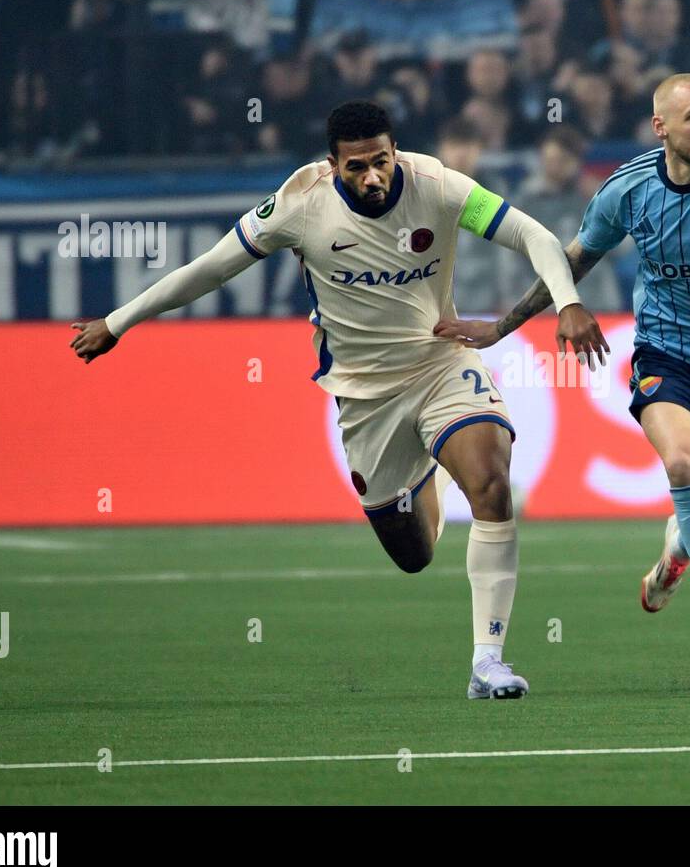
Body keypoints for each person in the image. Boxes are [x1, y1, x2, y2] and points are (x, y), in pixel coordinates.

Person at [69, 101, 608, 700]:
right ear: (333, 165)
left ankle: (488, 662)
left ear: (395, 151)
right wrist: (119, 322)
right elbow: (211, 269)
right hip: (364, 397)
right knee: (413, 555)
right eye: (357, 168)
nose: (373, 176)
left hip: (439, 364)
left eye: (381, 161)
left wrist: (567, 302)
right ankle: (426, 467)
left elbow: (532, 233)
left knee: (491, 483)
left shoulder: (438, 185)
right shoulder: (300, 203)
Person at [436, 74, 690, 679]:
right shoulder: (627, 190)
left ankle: (677, 551)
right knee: (682, 468)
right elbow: (574, 257)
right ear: (661, 128)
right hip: (668, 354)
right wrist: (504, 326)